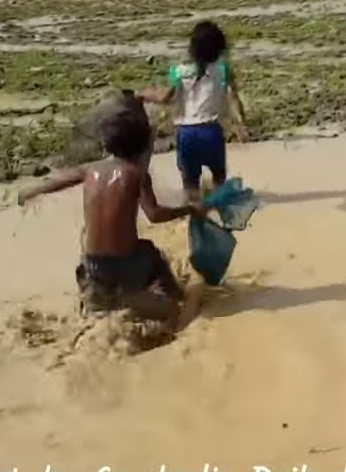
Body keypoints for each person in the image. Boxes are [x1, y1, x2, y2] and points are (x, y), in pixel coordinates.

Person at [17, 91, 203, 330]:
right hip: (127, 265)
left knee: (88, 249)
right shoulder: (137, 174)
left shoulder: (90, 169)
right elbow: (155, 215)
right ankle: (169, 302)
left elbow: (57, 182)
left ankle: (95, 301)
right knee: (152, 255)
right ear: (143, 147)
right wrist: (188, 209)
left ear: (107, 144)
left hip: (94, 265)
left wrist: (32, 190)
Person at [138, 20, 247, 201]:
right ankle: (215, 208)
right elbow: (234, 99)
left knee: (190, 183)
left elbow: (166, 98)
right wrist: (242, 124)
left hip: (187, 134)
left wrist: (143, 95)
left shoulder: (179, 71)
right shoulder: (223, 69)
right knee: (219, 177)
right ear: (220, 46)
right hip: (212, 132)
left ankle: (193, 213)